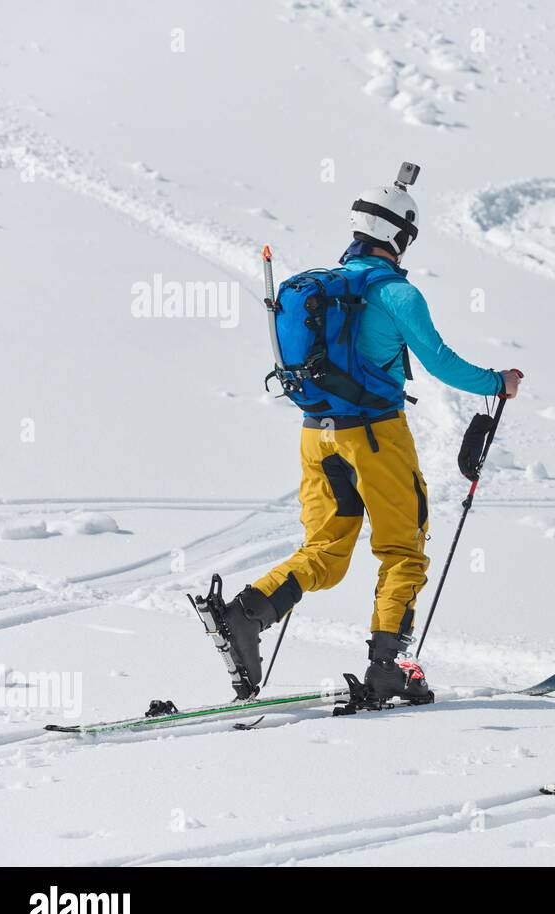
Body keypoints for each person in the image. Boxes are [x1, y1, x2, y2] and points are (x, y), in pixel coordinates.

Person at [201, 177, 521, 704]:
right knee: (402, 550)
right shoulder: (396, 293)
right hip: (375, 436)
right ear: (397, 237)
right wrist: (497, 381)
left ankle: (244, 614)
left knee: (325, 550)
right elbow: (441, 361)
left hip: (316, 436)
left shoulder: (321, 288)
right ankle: (388, 666)